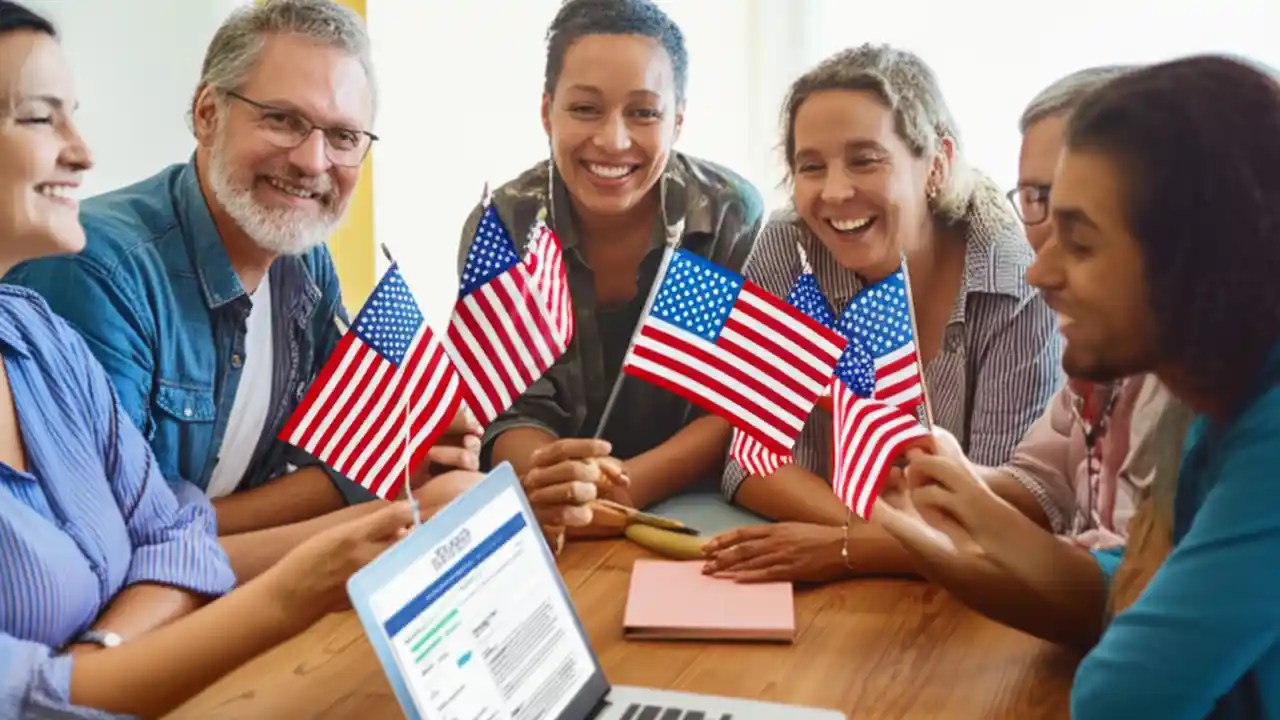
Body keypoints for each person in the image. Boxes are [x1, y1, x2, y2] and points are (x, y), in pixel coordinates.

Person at [0, 4, 418, 717]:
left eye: (343, 135)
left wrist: (102, 654)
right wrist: (350, 535)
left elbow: (173, 532)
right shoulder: (90, 273)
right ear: (206, 114)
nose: (315, 160)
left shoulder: (35, 334)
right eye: (283, 120)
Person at [880, 55, 1280, 718]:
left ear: (1197, 257)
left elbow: (1126, 695)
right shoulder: (1208, 403)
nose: (1040, 273)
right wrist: (929, 531)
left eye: (1082, 242)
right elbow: (1129, 589)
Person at [701, 44, 1061, 581]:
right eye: (811, 167)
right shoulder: (787, 246)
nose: (835, 191)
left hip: (973, 601)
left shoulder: (1014, 278)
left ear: (935, 164)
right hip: (838, 563)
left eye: (865, 160)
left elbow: (1005, 517)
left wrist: (849, 550)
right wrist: (853, 534)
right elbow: (750, 462)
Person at [457, 0, 764, 547]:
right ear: (547, 111)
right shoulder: (504, 223)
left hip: (700, 504)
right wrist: (555, 485)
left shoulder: (724, 216)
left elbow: (740, 399)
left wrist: (624, 487)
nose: (613, 141)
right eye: (585, 109)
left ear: (678, 120)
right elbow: (509, 404)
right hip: (552, 510)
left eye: (644, 113)